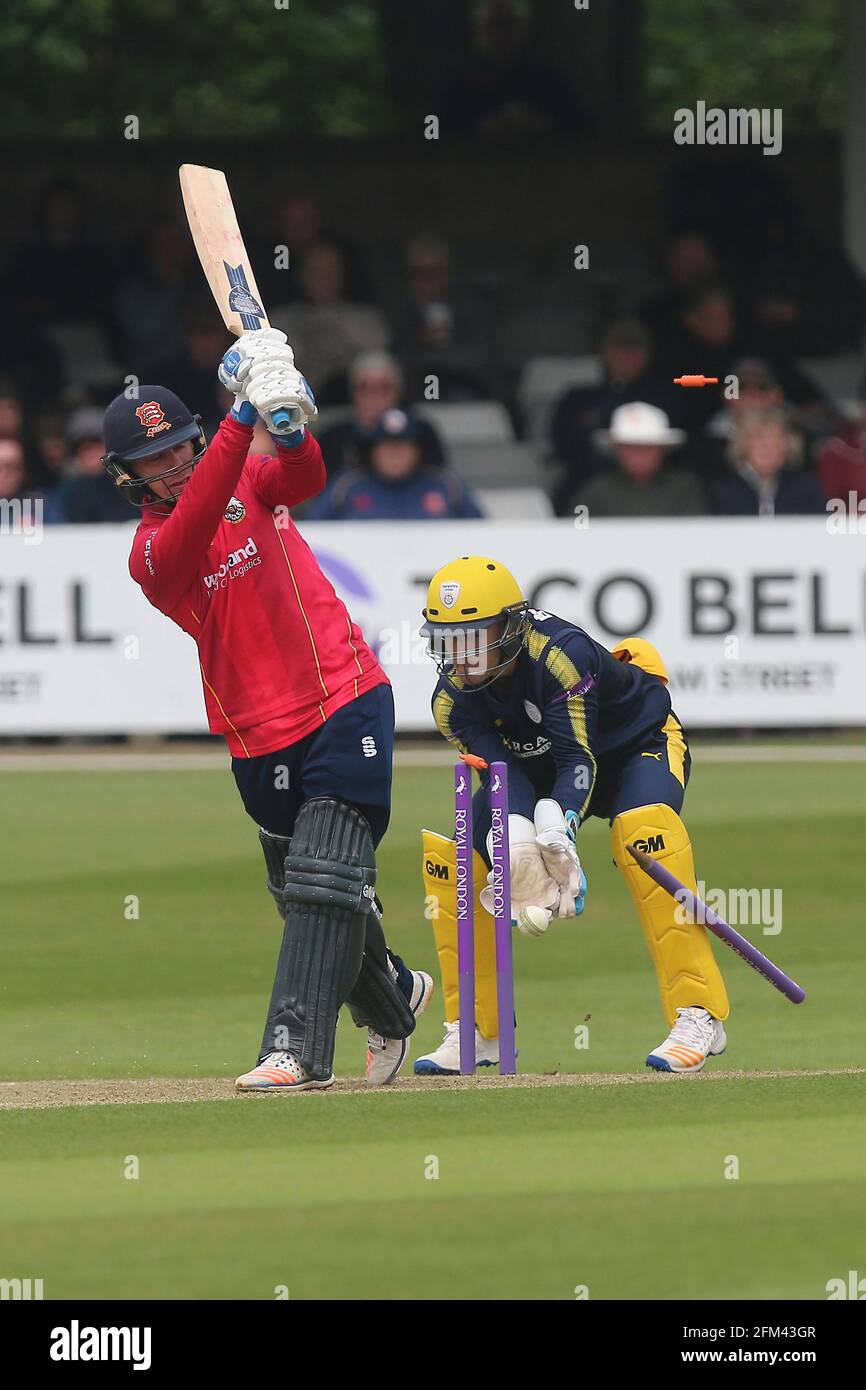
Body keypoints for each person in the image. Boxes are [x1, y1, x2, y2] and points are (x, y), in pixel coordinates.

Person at [101, 328, 431, 1092]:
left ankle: (295, 1050)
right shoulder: (151, 556)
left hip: (343, 693)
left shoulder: (247, 474)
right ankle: (390, 993)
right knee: (309, 892)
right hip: (255, 733)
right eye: (155, 461)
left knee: (321, 875)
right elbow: (203, 504)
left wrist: (288, 426)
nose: (174, 466)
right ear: (129, 479)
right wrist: (241, 416)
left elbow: (305, 478)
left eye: (181, 447)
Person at [414, 555, 730, 1076]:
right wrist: (513, 841)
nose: (463, 657)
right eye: (449, 640)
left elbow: (577, 758)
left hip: (635, 748)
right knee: (456, 860)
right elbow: (502, 774)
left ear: (511, 626)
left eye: (475, 636)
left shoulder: (560, 657)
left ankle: (698, 1014)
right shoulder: (449, 703)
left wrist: (558, 831)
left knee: (643, 832)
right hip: (536, 771)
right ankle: (477, 1031)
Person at [307, 408, 482, 521]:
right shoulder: (347, 485)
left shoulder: (446, 484)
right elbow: (311, 533)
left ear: (418, 451)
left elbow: (484, 534)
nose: (395, 454)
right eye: (387, 446)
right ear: (372, 451)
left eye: (403, 446)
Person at [316, 351, 445, 476]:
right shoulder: (332, 439)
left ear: (398, 392)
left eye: (384, 387)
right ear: (352, 393)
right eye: (364, 387)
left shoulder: (421, 434)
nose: (374, 396)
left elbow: (437, 486)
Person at [568, 401, 704, 519]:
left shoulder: (685, 489)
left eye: (646, 447)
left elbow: (698, 537)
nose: (638, 455)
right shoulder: (594, 493)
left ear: (663, 449)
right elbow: (575, 539)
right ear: (616, 450)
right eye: (629, 447)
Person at [711, 407, 825, 517]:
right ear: (743, 445)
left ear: (788, 447)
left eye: (775, 440)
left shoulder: (806, 486)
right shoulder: (724, 489)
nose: (767, 448)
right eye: (759, 439)